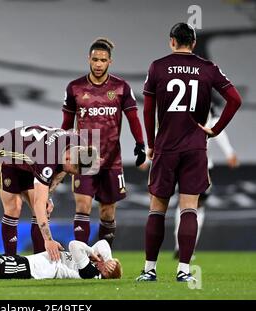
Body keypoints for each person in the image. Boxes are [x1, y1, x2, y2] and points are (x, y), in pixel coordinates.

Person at [137, 23, 242, 282]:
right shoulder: (208, 69)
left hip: (166, 146)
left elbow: (148, 111)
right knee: (189, 208)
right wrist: (215, 129)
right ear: (193, 43)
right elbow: (235, 99)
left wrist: (150, 143)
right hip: (195, 148)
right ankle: (184, 271)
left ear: (172, 41)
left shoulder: (157, 67)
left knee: (157, 208)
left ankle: (150, 270)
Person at [61, 37, 146, 247]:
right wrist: (61, 149)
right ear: (88, 59)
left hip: (111, 157)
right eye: (95, 59)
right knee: (82, 206)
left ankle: (103, 259)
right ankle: (82, 261)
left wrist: (140, 144)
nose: (98, 64)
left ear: (110, 62)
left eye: (103, 60)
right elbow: (66, 122)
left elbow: (133, 117)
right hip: (85, 156)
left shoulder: (121, 87)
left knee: (107, 211)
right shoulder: (75, 88)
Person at [0, 125, 99, 261]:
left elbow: (61, 172)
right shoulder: (48, 159)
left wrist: (48, 195)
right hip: (4, 156)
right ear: (69, 158)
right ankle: (10, 259)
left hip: (29, 159)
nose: (71, 174)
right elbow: (38, 203)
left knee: (44, 211)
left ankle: (40, 261)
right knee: (14, 207)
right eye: (73, 170)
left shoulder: (78, 145)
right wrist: (49, 240)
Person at [173, 106, 240, 258]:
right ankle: (186, 247)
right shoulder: (205, 105)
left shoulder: (181, 106)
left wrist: (229, 152)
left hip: (185, 163)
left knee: (186, 204)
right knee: (195, 205)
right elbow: (217, 127)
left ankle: (181, 246)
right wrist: (229, 152)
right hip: (199, 164)